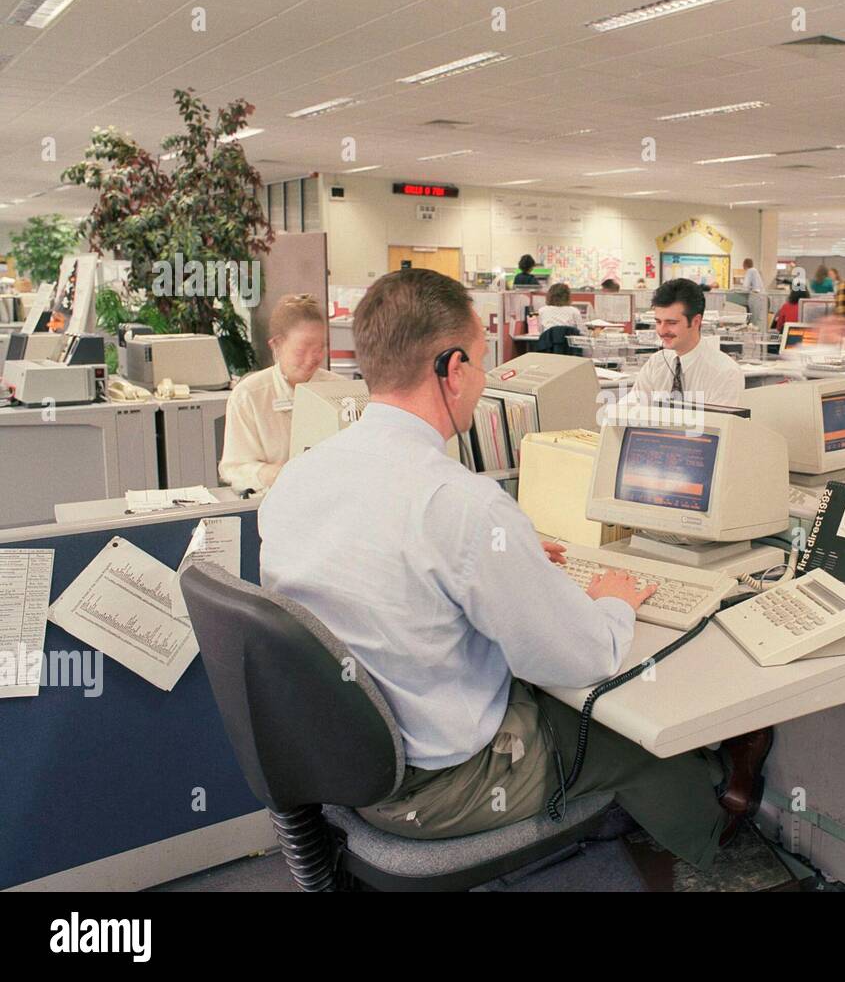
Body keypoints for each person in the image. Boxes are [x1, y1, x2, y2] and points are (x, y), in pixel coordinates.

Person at [259, 269, 770, 867]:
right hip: (437, 786)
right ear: (452, 371)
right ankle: (723, 839)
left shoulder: (302, 475)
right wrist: (613, 601)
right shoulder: (461, 503)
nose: (481, 383)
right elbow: (583, 656)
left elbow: (391, 571)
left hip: (343, 761)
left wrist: (509, 558)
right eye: (479, 363)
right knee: (621, 732)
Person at [219, 293, 343, 494]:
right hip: (270, 502)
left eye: (320, 348)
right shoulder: (249, 395)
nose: (313, 358)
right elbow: (233, 468)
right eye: (302, 350)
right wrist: (275, 474)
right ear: (276, 345)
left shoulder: (338, 388)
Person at [625, 278, 743, 407]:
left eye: (672, 323)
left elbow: (718, 425)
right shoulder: (656, 363)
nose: (662, 330)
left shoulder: (725, 373)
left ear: (696, 321)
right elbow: (629, 409)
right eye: (658, 322)